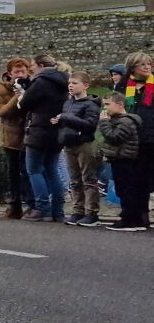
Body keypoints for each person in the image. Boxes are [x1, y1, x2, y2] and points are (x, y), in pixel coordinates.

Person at [18, 55, 69, 222]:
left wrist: (21, 94)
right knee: (52, 169)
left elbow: (24, 103)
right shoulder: (63, 81)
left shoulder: (41, 82)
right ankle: (58, 210)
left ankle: (42, 208)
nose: (31, 68)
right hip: (56, 131)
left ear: (40, 65)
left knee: (34, 169)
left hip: (39, 130)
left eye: (32, 65)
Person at [0, 58, 35, 219]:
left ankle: (32, 205)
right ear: (10, 73)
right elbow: (1, 111)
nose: (20, 74)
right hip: (10, 137)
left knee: (28, 172)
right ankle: (14, 206)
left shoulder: (32, 85)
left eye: (23, 71)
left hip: (29, 135)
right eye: (17, 72)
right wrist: (17, 96)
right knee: (12, 173)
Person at [59, 72, 102, 226]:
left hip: (84, 144)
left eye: (75, 83)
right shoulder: (67, 103)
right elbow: (66, 122)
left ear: (85, 86)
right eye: (70, 83)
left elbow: (90, 124)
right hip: (69, 143)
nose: (71, 85)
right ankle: (78, 210)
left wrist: (66, 118)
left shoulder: (91, 104)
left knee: (88, 179)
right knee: (75, 180)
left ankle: (92, 213)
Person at [98, 92, 144, 231]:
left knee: (125, 190)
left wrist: (104, 123)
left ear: (120, 104)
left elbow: (115, 137)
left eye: (107, 104)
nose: (105, 109)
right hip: (119, 158)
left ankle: (128, 220)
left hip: (124, 159)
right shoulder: (119, 120)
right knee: (123, 189)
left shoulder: (125, 121)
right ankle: (134, 219)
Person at [121, 51, 154, 229]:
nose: (148, 67)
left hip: (151, 137)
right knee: (137, 179)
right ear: (133, 68)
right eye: (143, 64)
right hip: (133, 138)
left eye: (149, 63)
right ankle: (140, 215)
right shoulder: (125, 86)